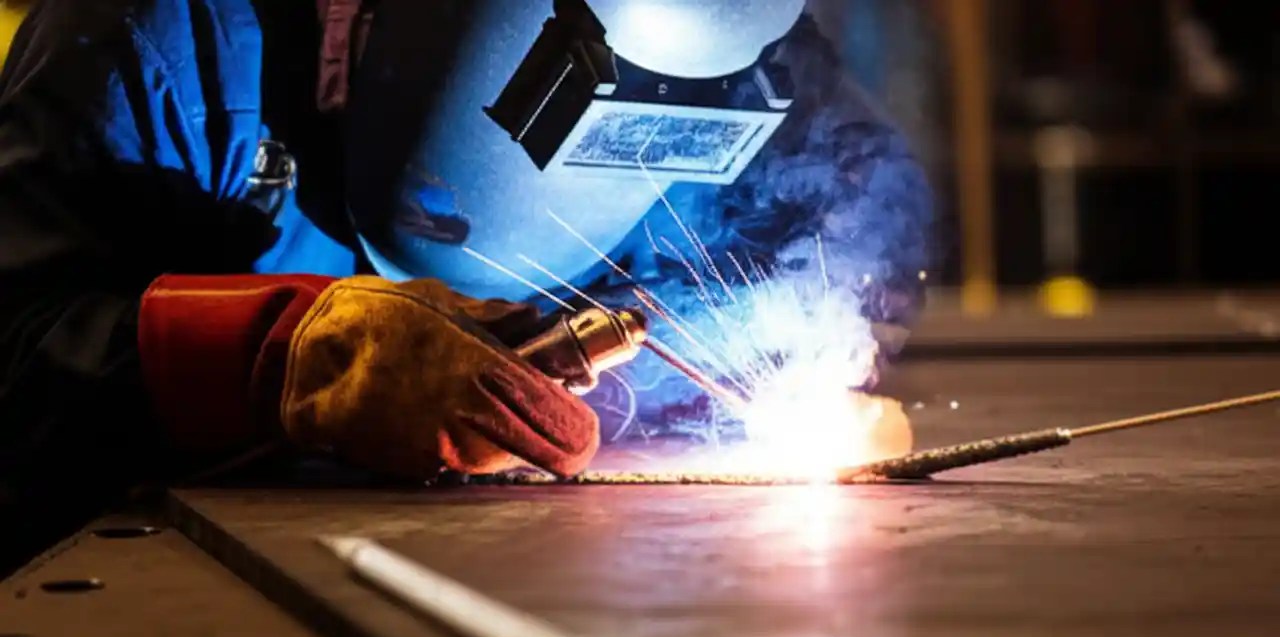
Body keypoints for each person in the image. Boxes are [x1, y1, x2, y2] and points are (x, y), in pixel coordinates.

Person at [0, 0, 931, 569]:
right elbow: (18, 353)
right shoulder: (161, 37)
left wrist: (731, 364)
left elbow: (852, 214)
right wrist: (285, 358)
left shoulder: (735, 46)